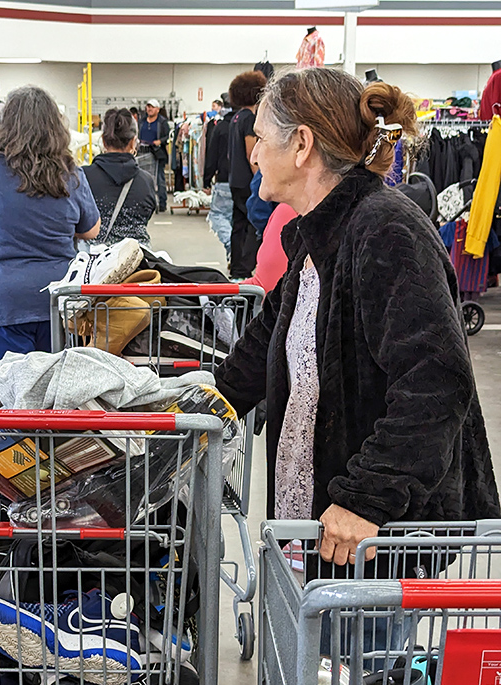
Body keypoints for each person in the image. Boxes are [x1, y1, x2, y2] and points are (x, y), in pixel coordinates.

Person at [215, 68, 499, 573]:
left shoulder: (387, 230)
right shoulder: (315, 234)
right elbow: (264, 344)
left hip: (373, 541)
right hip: (315, 530)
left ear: (301, 144)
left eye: (259, 137)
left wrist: (367, 496)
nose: (252, 154)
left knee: (359, 655)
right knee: (307, 651)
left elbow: (437, 382)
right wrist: (198, 407)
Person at [0, 85, 101, 364]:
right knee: (56, 396)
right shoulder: (69, 169)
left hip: (2, 301)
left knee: (3, 394)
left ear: (5, 123)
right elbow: (91, 229)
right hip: (59, 302)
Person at [82, 108, 156, 247]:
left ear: (103, 141)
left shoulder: (83, 178)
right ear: (133, 142)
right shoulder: (146, 181)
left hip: (95, 262)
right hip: (139, 261)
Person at [228, 70, 267, 278]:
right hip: (247, 181)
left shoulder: (235, 118)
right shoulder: (250, 119)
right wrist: (259, 179)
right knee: (252, 226)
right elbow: (252, 152)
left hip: (235, 179)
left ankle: (236, 267)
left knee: (238, 225)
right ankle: (245, 268)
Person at [203, 93, 236, 259]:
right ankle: (238, 253)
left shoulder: (221, 127)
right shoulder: (247, 124)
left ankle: (232, 246)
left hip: (223, 179)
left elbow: (212, 155)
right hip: (244, 181)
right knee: (237, 219)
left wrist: (206, 179)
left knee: (217, 215)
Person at [137, 98, 169, 212]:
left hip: (157, 153)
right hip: (143, 153)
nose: (149, 109)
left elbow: (167, 136)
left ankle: (162, 203)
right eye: (148, 107)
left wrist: (160, 141)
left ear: (158, 109)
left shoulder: (162, 122)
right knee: (142, 178)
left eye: (152, 107)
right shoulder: (142, 121)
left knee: (159, 178)